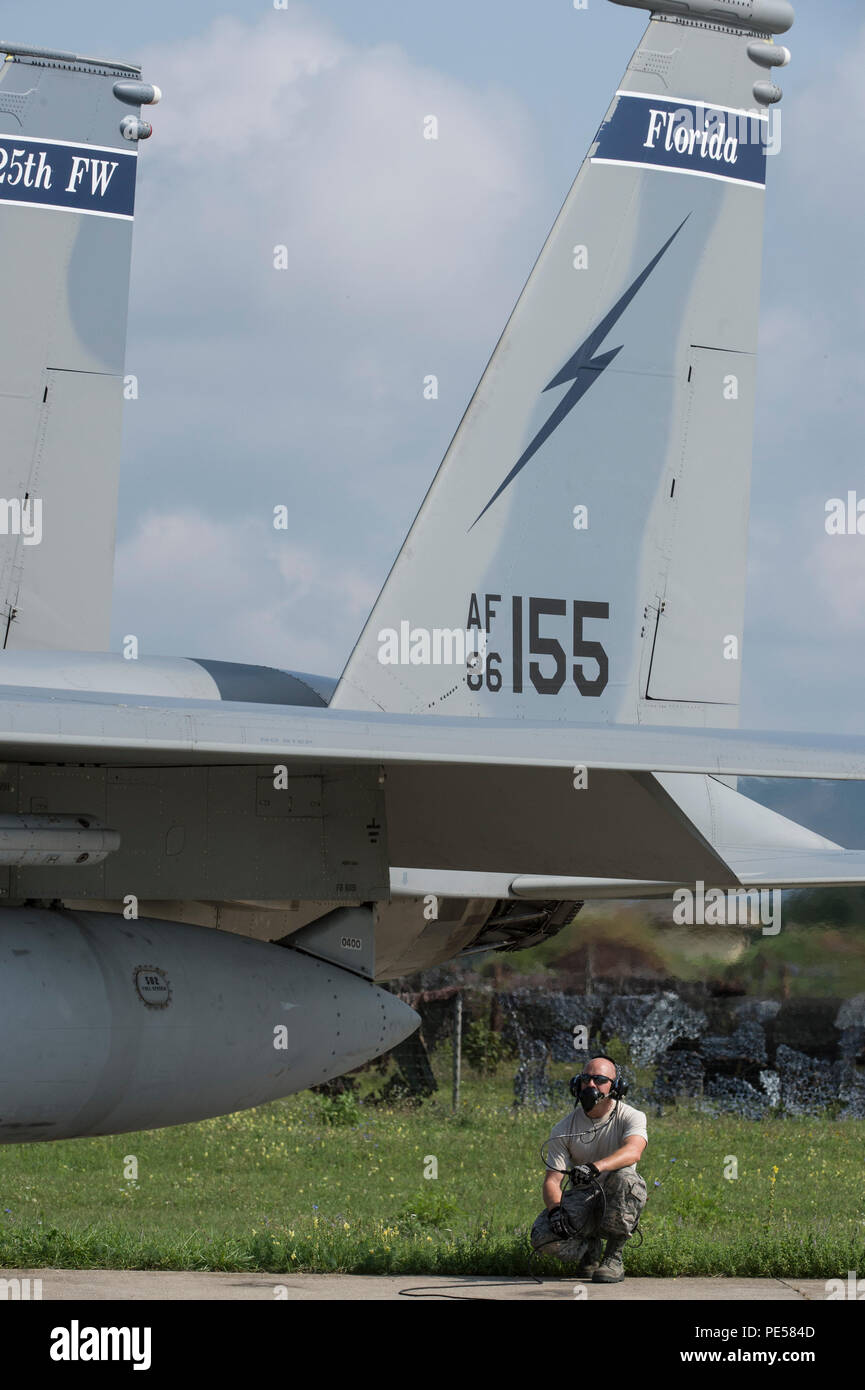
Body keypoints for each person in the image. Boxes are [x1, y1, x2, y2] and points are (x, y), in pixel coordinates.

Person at [532, 1054, 648, 1284]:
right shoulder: (563, 1128)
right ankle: (588, 1251)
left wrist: (595, 1167)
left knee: (626, 1178)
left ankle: (614, 1257)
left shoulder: (631, 1116)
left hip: (617, 1196)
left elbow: (634, 1151)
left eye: (599, 1080)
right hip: (583, 1197)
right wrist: (556, 1212)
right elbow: (552, 1182)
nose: (591, 1085)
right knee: (542, 1236)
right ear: (577, 1084)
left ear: (615, 1087)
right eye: (586, 1079)